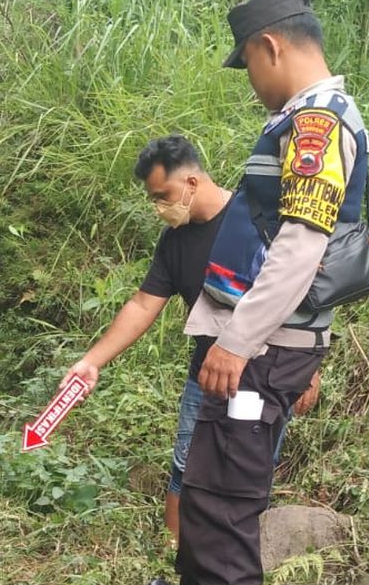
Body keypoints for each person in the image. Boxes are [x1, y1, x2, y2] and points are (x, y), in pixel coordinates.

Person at [143, 0, 369, 585]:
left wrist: (239, 341)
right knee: (204, 471)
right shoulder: (303, 117)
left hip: (268, 350)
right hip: (251, 339)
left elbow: (301, 243)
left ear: (269, 46)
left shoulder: (319, 123)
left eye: (248, 66)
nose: (250, 86)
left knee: (229, 487)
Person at [62, 136, 252, 542]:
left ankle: (235, 561)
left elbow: (298, 291)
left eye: (163, 196)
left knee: (250, 472)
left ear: (193, 183)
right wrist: (92, 360)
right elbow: (143, 305)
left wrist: (310, 367)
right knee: (186, 464)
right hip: (204, 374)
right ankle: (173, 552)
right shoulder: (175, 239)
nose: (159, 208)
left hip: (260, 374)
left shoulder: (251, 220)